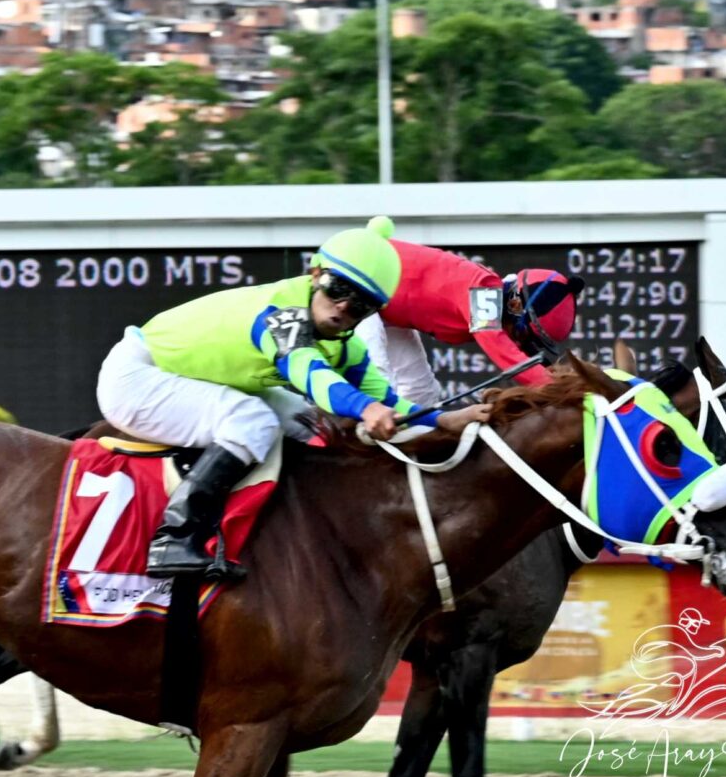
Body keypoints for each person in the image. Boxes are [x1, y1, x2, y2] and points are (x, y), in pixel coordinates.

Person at [99, 220, 493, 579]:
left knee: (308, 424)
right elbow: (313, 377)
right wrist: (365, 409)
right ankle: (175, 537)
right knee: (252, 420)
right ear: (315, 274)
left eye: (359, 305)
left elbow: (387, 401)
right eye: (338, 290)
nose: (342, 308)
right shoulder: (280, 316)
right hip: (139, 377)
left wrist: (444, 420)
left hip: (186, 375)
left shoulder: (346, 345)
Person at [362, 229, 581, 409]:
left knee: (423, 394)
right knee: (378, 386)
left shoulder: (492, 294)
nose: (518, 343)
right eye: (522, 335)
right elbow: (503, 352)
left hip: (386, 311)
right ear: (515, 307)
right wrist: (558, 389)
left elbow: (523, 359)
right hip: (358, 282)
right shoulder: (484, 290)